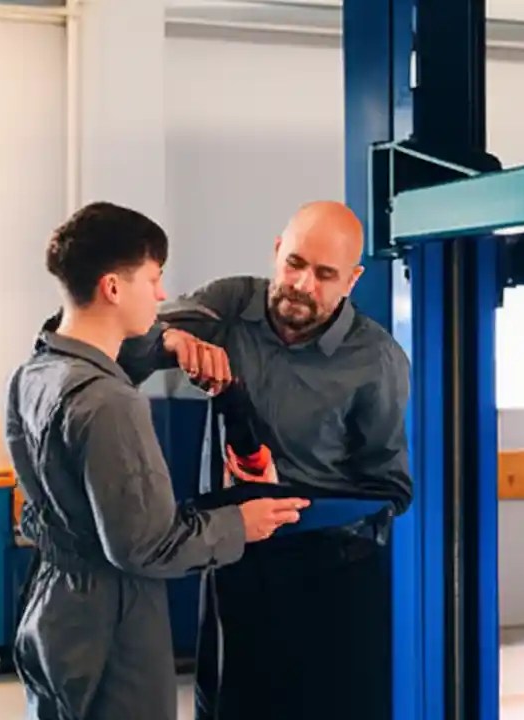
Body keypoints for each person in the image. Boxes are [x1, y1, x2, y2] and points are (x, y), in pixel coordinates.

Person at [4, 201, 310, 720]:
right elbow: (144, 545)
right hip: (112, 617)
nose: (163, 294)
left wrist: (167, 344)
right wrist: (241, 523)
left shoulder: (33, 374)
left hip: (52, 605)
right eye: (153, 278)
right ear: (113, 288)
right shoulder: (110, 402)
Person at [117, 200, 412, 720]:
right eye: (294, 263)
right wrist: (171, 341)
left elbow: (390, 490)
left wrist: (287, 505)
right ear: (277, 251)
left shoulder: (377, 359)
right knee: (228, 706)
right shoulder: (230, 305)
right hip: (234, 563)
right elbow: (122, 348)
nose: (302, 285)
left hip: (330, 571)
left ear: (352, 280)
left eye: (325, 275)